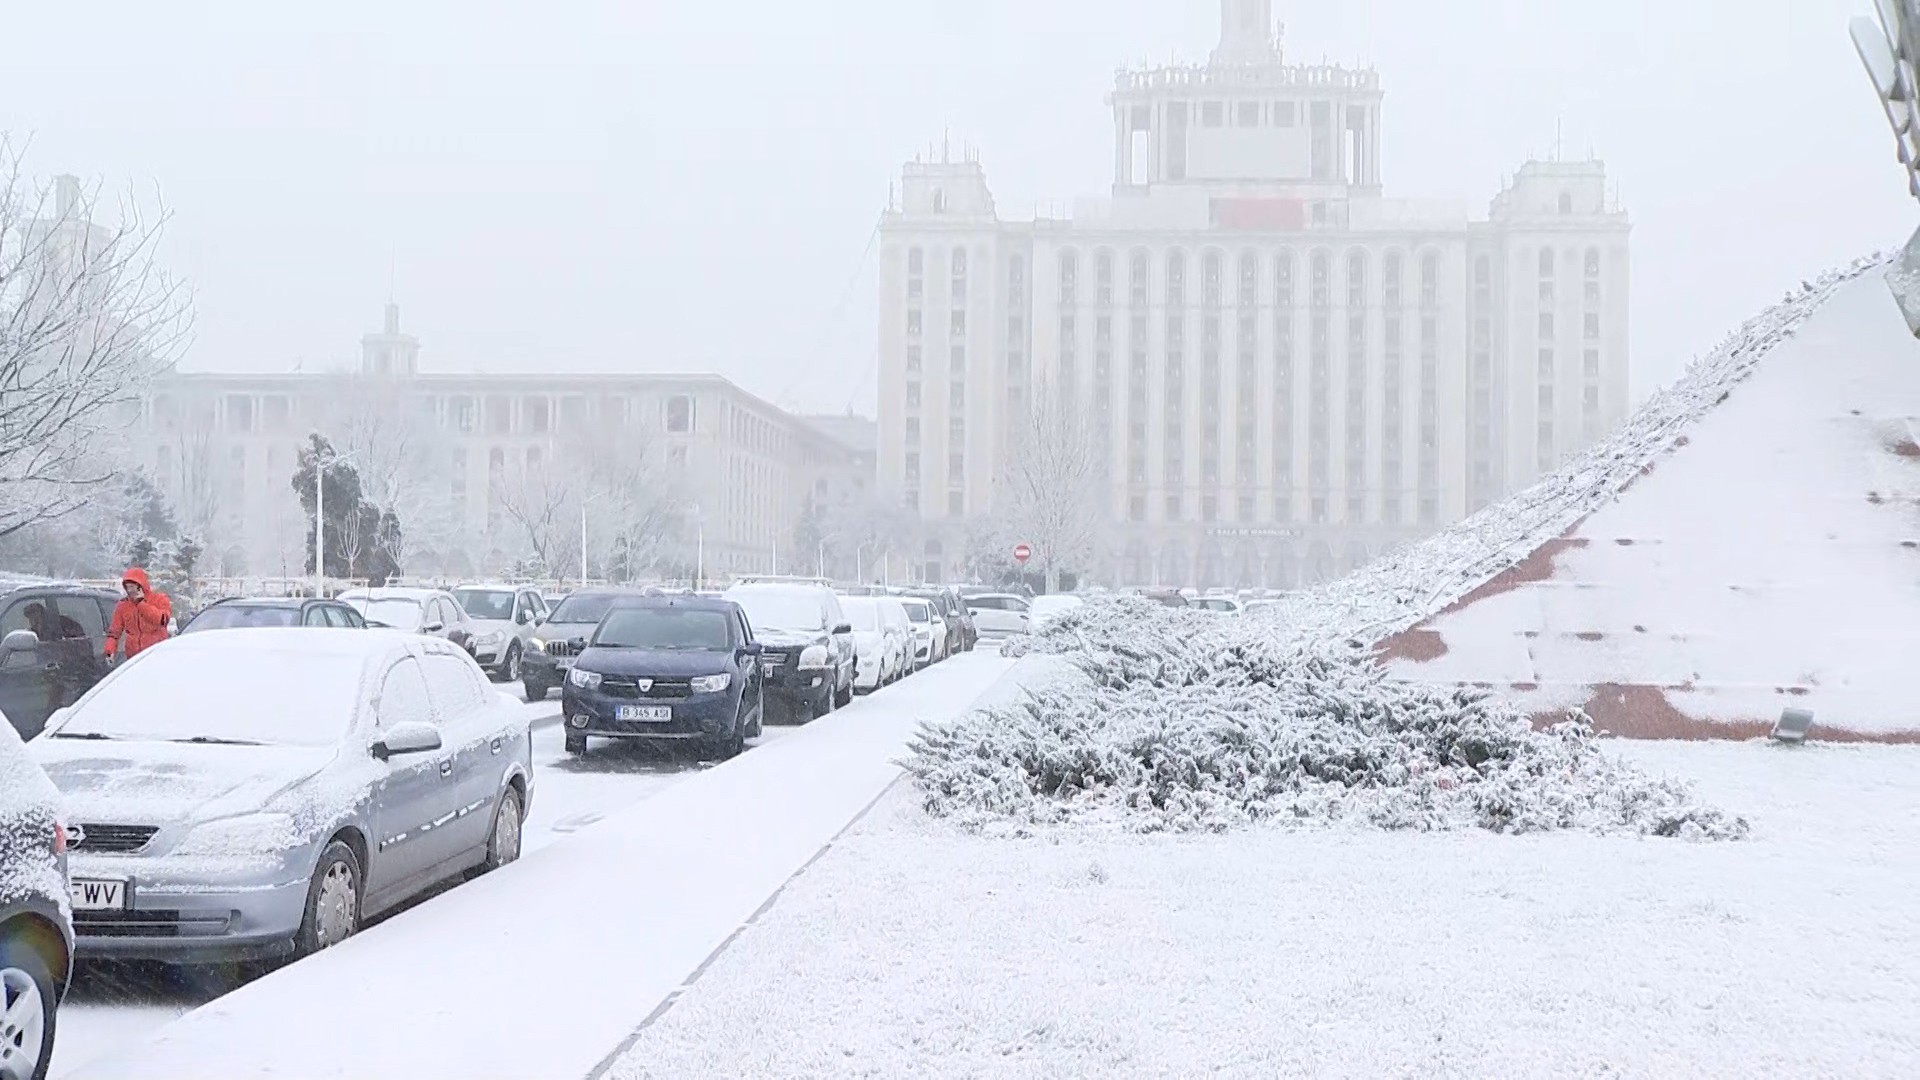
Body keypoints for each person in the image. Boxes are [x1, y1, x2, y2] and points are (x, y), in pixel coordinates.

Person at [105, 568, 172, 663]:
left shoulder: (159, 599)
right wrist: (110, 649)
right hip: (133, 657)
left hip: (156, 654)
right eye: (127, 587)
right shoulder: (123, 605)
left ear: (140, 586)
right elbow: (114, 632)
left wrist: (141, 604)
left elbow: (162, 620)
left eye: (132, 587)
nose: (129, 590)